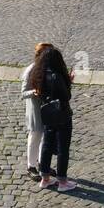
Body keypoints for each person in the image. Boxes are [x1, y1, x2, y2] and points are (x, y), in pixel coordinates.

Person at [32, 46, 77, 192]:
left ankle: (45, 178)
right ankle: (62, 181)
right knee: (63, 148)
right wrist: (69, 82)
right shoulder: (57, 76)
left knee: (47, 145)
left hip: (47, 114)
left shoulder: (39, 75)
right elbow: (66, 97)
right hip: (62, 115)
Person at [19, 42, 55, 181]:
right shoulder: (31, 70)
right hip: (35, 109)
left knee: (45, 137)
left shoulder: (48, 68)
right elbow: (23, 93)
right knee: (34, 136)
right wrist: (35, 91)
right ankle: (31, 166)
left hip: (46, 107)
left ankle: (42, 164)